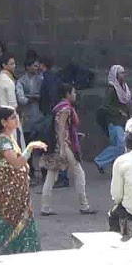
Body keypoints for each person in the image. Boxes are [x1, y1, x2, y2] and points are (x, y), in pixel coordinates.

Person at [0, 106, 43, 254]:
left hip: (19, 191)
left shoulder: (9, 138)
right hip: (9, 192)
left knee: (23, 222)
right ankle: (10, 252)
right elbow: (17, 163)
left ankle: (22, 252)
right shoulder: (1, 141)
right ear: (4, 122)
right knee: (11, 221)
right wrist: (30, 147)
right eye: (12, 117)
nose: (17, 119)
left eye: (16, 116)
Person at [38, 81, 94, 215]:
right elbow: (62, 128)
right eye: (73, 92)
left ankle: (45, 207)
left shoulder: (59, 107)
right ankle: (84, 205)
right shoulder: (66, 109)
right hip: (64, 145)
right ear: (67, 94)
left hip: (58, 145)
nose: (75, 94)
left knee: (51, 175)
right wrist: (63, 147)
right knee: (79, 173)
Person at [93, 65, 132, 172]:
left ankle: (109, 165)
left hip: (122, 121)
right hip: (114, 121)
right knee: (120, 146)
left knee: (118, 146)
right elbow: (106, 106)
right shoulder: (112, 89)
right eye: (121, 73)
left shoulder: (124, 88)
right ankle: (100, 160)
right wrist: (119, 112)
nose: (123, 75)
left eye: (124, 73)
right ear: (116, 75)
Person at [0, 53, 22, 149]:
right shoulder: (9, 81)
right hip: (9, 117)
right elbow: (13, 104)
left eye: (14, 63)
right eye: (11, 64)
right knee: (13, 145)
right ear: (4, 65)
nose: (14, 66)